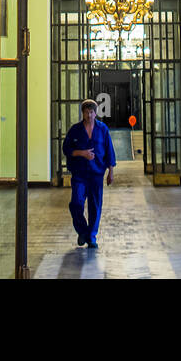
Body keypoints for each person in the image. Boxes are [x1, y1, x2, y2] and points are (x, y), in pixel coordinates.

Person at [62, 99, 116, 249]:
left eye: (92, 112)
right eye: (86, 112)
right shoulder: (75, 130)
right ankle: (82, 231)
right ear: (83, 113)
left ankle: (91, 236)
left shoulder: (102, 129)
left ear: (96, 113)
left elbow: (109, 151)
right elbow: (66, 149)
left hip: (97, 174)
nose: (89, 115)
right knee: (76, 203)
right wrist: (82, 153)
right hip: (79, 174)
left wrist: (111, 172)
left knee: (95, 205)